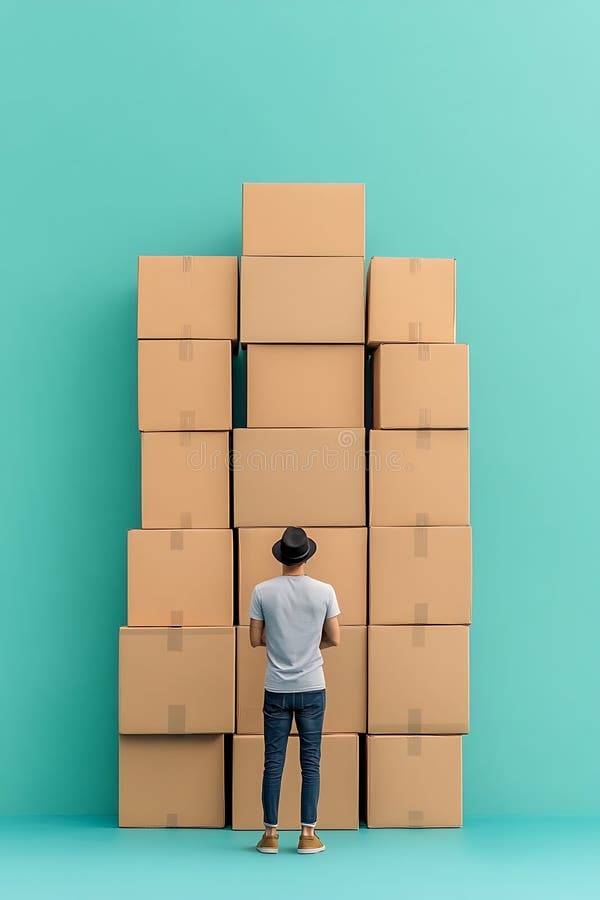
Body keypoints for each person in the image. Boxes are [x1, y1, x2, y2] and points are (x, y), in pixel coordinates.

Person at [248, 526, 341, 855]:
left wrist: (281, 644)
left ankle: (270, 835)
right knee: (310, 762)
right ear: (306, 557)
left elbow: (254, 639)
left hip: (276, 687)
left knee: (273, 762)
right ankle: (307, 835)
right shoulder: (325, 591)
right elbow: (334, 638)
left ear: (281, 557)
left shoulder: (262, 591)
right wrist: (307, 646)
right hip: (312, 687)